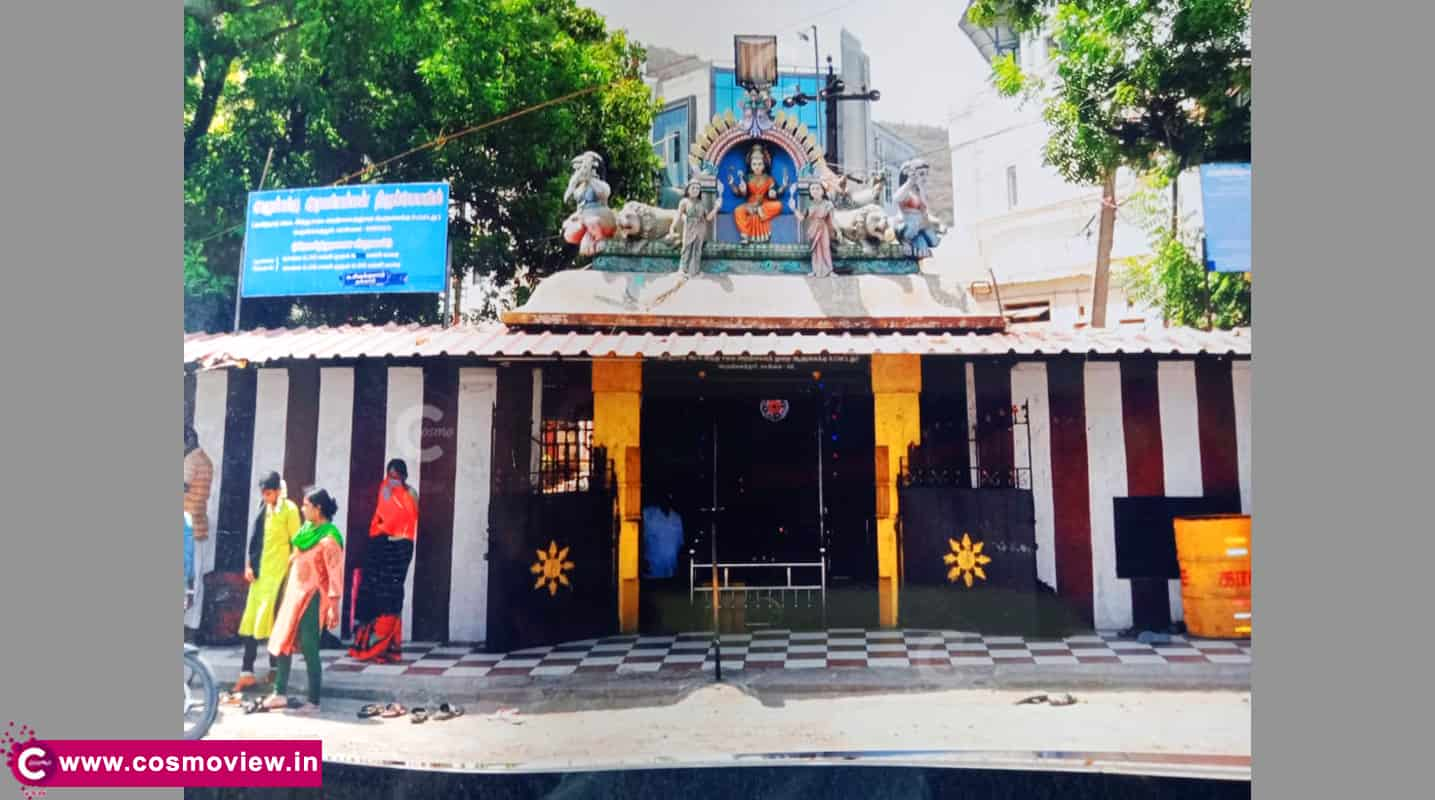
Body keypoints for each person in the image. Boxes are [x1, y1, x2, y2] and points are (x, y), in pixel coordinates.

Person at [259, 489, 344, 712]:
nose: (303, 509)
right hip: (293, 595)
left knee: (309, 647)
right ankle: (280, 693)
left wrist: (333, 606)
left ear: (318, 509)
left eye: (306, 505)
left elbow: (335, 574)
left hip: (312, 597)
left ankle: (313, 701)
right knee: (283, 640)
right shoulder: (305, 532)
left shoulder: (329, 538)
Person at [348, 459, 419, 663]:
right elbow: (380, 519)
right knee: (375, 594)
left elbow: (408, 521)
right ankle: (371, 648)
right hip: (380, 546)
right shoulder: (384, 490)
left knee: (392, 595)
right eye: (390, 476)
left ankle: (388, 648)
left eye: (397, 476)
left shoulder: (411, 494)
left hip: (401, 548)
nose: (393, 480)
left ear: (404, 476)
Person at [233, 472, 298, 692]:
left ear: (278, 491)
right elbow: (254, 539)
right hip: (260, 576)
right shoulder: (264, 508)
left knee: (273, 623)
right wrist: (249, 566)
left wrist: (291, 577)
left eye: (269, 492)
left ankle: (275, 671)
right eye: (263, 492)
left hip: (279, 576)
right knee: (251, 622)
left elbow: (296, 544)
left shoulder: (289, 509)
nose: (265, 496)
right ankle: (246, 672)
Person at [183, 427, 215, 632]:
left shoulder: (190, 461)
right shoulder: (206, 460)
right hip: (200, 525)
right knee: (196, 581)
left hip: (187, 527)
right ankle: (191, 629)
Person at [727, 143, 787, 244]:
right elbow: (739, 193)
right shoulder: (747, 177)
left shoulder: (769, 178)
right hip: (750, 204)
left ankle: (758, 211)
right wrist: (732, 184)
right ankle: (745, 235)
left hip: (764, 204)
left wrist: (783, 186)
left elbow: (775, 193)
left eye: (760, 164)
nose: (757, 167)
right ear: (750, 165)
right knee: (738, 211)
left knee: (779, 205)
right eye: (754, 164)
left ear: (764, 165)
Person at [667, 179, 721, 276]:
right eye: (693, 188)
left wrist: (716, 208)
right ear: (688, 189)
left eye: (698, 188)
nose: (695, 190)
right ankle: (682, 269)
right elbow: (678, 215)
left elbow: (708, 218)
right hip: (689, 227)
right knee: (686, 248)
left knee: (697, 249)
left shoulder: (702, 203)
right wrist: (672, 226)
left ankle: (696, 271)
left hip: (700, 228)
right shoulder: (684, 202)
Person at [791, 181, 839, 278]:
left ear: (822, 191)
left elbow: (832, 219)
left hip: (824, 229)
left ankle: (829, 270)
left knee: (825, 249)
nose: (815, 191)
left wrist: (836, 230)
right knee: (815, 251)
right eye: (812, 189)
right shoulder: (809, 206)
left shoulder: (828, 204)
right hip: (813, 230)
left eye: (818, 188)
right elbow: (801, 218)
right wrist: (794, 209)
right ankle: (815, 270)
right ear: (810, 192)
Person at [641, 491, 685, 580]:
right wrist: (640, 560)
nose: (667, 499)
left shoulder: (677, 517)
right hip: (653, 568)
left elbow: (680, 543)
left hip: (671, 569)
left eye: (670, 496)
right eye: (664, 496)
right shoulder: (648, 513)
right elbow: (637, 537)